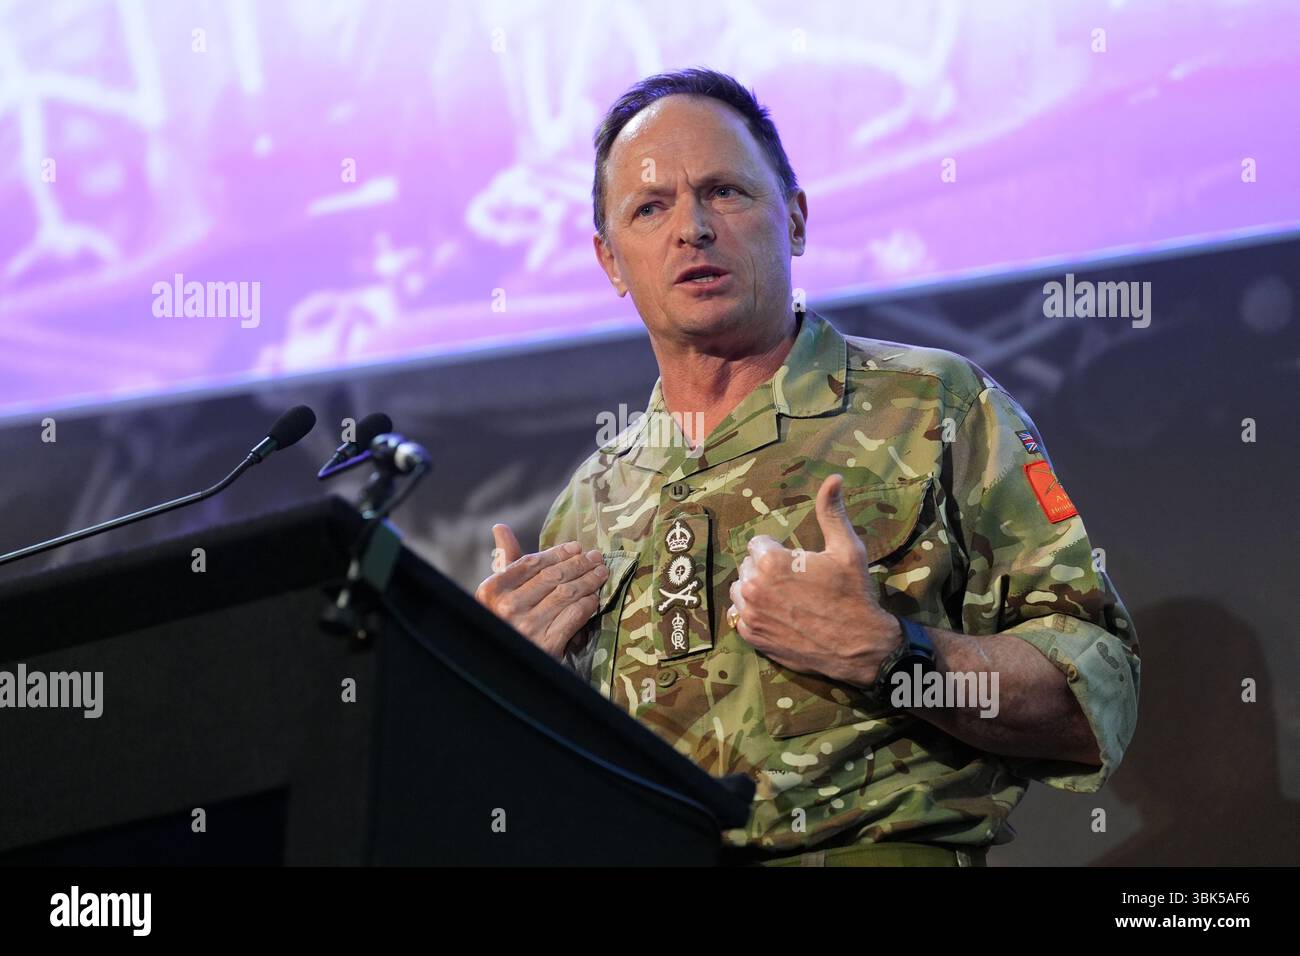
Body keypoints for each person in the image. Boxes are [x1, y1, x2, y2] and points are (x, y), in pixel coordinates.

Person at [475, 68, 1139, 866]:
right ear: (611, 261)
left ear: (794, 220)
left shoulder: (934, 405)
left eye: (724, 192)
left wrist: (899, 659)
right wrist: (500, 695)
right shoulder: (586, 504)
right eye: (650, 208)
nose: (691, 228)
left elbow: (1095, 695)